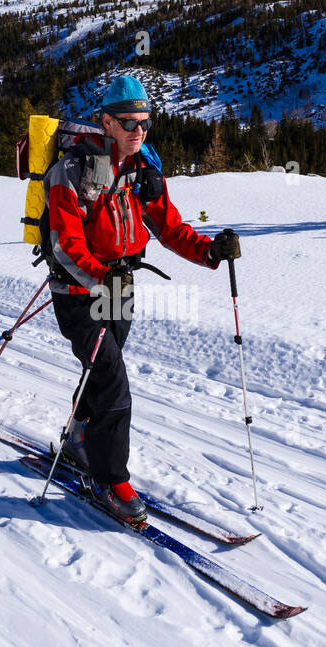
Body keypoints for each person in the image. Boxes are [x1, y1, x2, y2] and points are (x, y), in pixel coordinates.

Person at [45, 74, 241, 524]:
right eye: (129, 122)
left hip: (121, 287)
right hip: (78, 293)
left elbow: (169, 228)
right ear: (105, 122)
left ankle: (78, 438)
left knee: (100, 372)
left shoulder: (142, 170)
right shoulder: (71, 170)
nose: (139, 130)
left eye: (146, 122)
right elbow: (63, 242)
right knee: (113, 383)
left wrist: (210, 251)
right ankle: (111, 481)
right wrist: (99, 276)